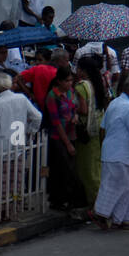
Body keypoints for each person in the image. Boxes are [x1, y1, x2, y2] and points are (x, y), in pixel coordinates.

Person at [89, 78, 129, 230]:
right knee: (118, 186)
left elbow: (103, 129)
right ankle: (101, 213)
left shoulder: (114, 104)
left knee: (124, 187)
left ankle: (120, 219)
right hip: (122, 154)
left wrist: (104, 148)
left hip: (113, 152)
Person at [42, 65, 86, 211]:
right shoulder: (52, 97)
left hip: (71, 132)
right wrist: (68, 144)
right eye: (67, 81)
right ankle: (58, 200)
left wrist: (75, 117)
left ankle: (68, 199)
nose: (69, 84)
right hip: (58, 137)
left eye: (71, 81)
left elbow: (75, 109)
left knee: (69, 168)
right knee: (62, 169)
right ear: (59, 81)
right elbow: (56, 123)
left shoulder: (70, 93)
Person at [72, 55, 106, 201]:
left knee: (87, 169)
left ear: (82, 70)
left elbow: (84, 110)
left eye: (78, 68)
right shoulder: (98, 83)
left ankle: (96, 202)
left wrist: (71, 108)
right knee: (96, 165)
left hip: (86, 128)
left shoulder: (81, 86)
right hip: (98, 124)